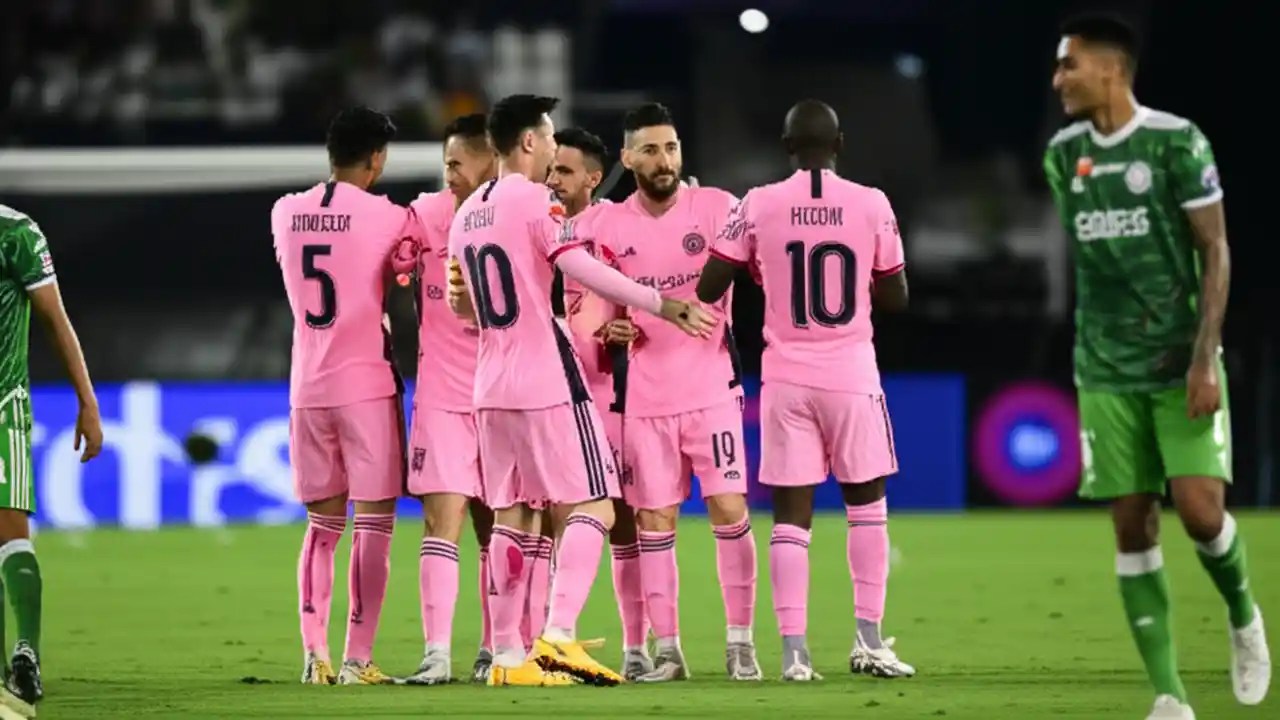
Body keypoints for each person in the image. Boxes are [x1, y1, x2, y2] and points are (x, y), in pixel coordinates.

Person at [446, 93, 715, 687]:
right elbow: (579, 266)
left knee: (512, 518)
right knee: (595, 501)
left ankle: (507, 655)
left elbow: (467, 307)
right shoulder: (534, 201)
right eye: (546, 139)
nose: (550, 149)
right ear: (526, 143)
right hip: (547, 376)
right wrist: (660, 302)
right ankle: (560, 635)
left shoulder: (466, 214)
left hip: (490, 383)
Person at [1044, 14, 1269, 720]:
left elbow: (1217, 249)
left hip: (1181, 362)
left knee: (1202, 513)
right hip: (1105, 367)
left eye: (1068, 66)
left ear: (1111, 69)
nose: (1058, 81)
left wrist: (1206, 357)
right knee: (1132, 521)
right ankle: (1170, 697)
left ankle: (1242, 615)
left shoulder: (1177, 143)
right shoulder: (1062, 156)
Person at [697, 99, 914, 682]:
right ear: (839, 143)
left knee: (792, 519)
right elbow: (896, 298)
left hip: (786, 376)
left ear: (786, 145)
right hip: (849, 373)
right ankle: (868, 640)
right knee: (867, 509)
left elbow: (711, 281)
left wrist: (762, 267)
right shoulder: (871, 203)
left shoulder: (757, 203)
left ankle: (794, 653)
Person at [571, 103, 759, 682]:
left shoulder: (719, 207)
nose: (664, 160)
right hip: (645, 401)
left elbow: (761, 267)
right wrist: (608, 326)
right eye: (650, 150)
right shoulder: (604, 225)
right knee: (654, 524)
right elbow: (584, 301)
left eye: (672, 148)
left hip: (711, 391)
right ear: (626, 159)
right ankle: (669, 651)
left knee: (731, 508)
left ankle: (740, 643)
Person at [271, 106, 409, 687]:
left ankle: (313, 655)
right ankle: (357, 658)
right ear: (377, 159)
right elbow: (402, 276)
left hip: (308, 387)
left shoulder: (284, 212)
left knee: (321, 526)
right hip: (364, 388)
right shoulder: (388, 215)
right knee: (373, 523)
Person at [393, 113, 497, 685]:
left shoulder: (518, 213)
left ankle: (494, 648)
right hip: (442, 397)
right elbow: (386, 267)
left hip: (505, 395)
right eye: (446, 164)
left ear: (489, 161)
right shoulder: (424, 217)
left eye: (457, 163)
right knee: (442, 523)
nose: (449, 175)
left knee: (496, 528)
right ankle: (436, 654)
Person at [548, 127, 654, 680]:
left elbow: (646, 284)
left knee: (624, 525)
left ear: (593, 177)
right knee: (552, 522)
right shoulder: (533, 225)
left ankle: (635, 645)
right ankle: (540, 640)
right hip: (549, 398)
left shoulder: (613, 226)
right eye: (550, 168)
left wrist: (627, 324)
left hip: (611, 395)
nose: (553, 179)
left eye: (564, 171)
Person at [0, 205, 103, 718]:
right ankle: (25, 650)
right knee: (11, 534)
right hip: (4, 406)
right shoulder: (16, 231)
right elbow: (54, 318)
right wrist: (87, 400)